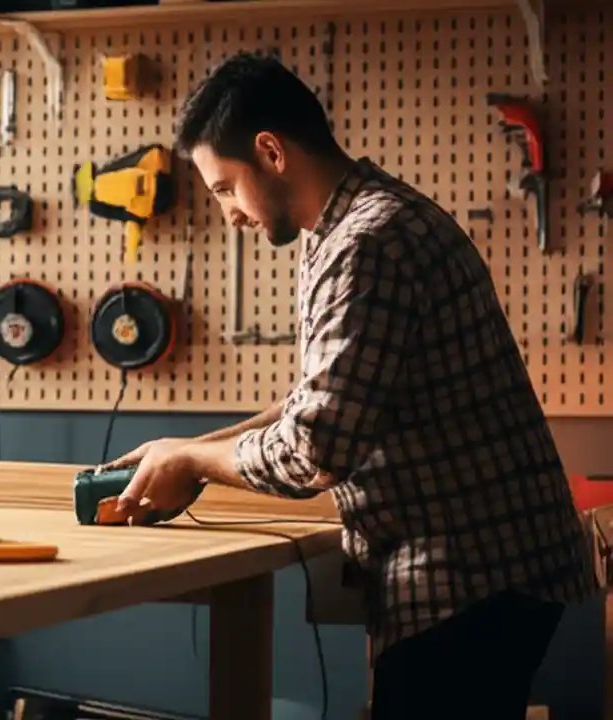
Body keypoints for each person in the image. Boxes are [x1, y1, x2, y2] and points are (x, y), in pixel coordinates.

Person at [104, 51, 599, 719]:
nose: (230, 216)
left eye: (225, 189)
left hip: (472, 576)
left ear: (271, 152)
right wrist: (186, 449)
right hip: (483, 570)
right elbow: (319, 401)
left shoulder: (370, 242)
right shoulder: (341, 231)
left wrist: (192, 459)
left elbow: (315, 449)